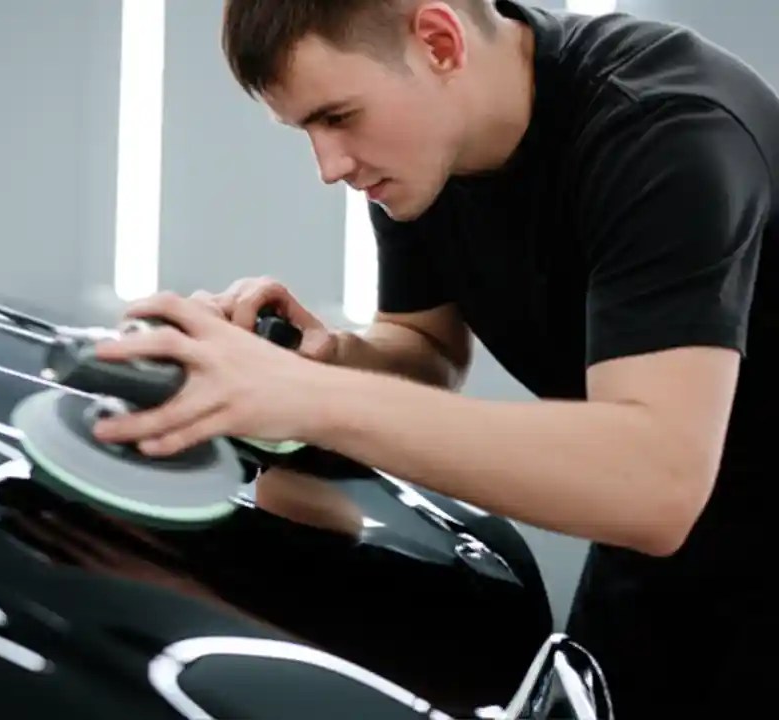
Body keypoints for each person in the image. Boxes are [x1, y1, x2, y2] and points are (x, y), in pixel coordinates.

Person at [88, 0, 778, 715]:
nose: (330, 166)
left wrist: (303, 397)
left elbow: (654, 484)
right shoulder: (425, 150)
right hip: (649, 568)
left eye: (338, 116)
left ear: (440, 42)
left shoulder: (667, 133)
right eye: (306, 130)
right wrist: (321, 361)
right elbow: (424, 348)